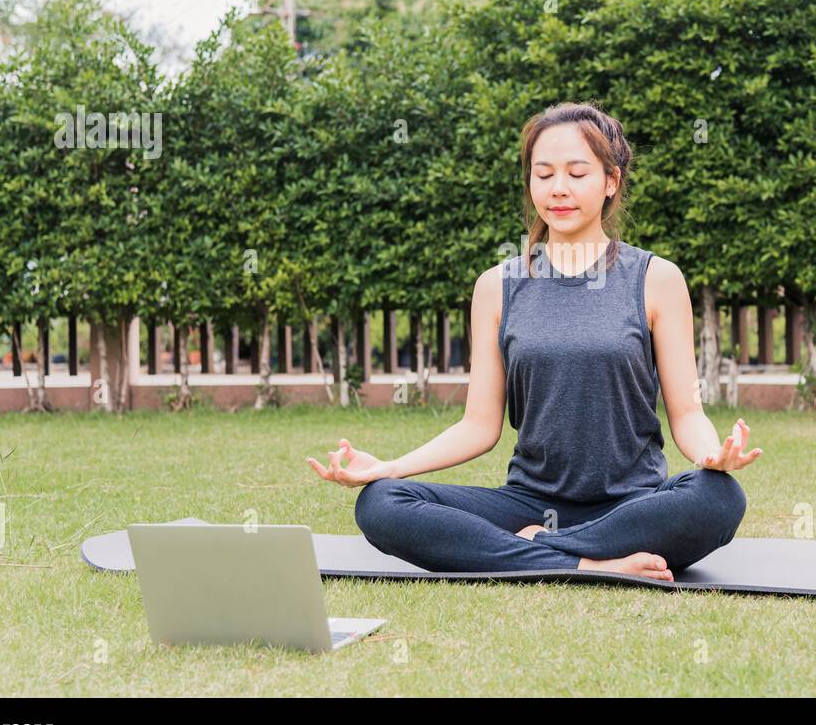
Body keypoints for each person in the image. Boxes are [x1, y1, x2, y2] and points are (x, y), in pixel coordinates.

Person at [306, 101, 760, 582]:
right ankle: (586, 562)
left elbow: (686, 412)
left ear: (611, 182)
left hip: (635, 507)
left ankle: (540, 551)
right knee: (381, 503)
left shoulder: (656, 279)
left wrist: (711, 457)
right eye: (543, 174)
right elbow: (480, 426)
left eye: (576, 173)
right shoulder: (496, 287)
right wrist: (392, 467)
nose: (558, 189)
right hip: (527, 502)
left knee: (719, 496)